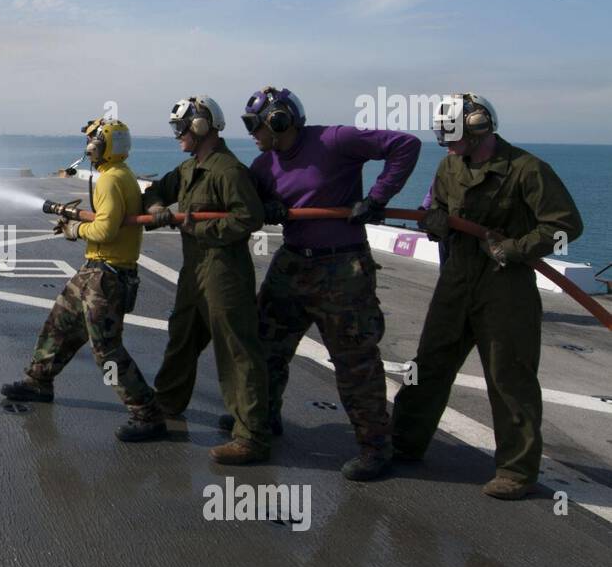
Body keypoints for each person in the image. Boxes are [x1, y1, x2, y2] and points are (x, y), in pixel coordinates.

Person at [392, 93, 583, 499]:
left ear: (478, 130)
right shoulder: (450, 166)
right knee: (427, 365)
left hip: (505, 287)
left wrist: (515, 248)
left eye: (453, 134)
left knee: (509, 377)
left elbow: (565, 226)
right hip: (456, 281)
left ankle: (516, 471)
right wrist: (435, 223)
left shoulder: (527, 170)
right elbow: (439, 210)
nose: (447, 144)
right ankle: (404, 443)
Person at [224, 86, 420, 480]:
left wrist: (378, 198)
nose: (252, 134)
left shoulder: (336, 140)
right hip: (293, 262)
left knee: (354, 360)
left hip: (342, 267)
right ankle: (262, 419)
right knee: (265, 347)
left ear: (279, 120)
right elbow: (245, 199)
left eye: (254, 125)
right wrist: (266, 208)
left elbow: (406, 145)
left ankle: (375, 447)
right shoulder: (264, 166)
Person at [1, 118, 167, 442]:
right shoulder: (122, 174)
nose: (89, 147)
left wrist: (73, 230)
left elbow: (105, 230)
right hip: (96, 270)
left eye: (92, 141)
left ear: (99, 145)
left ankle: (147, 413)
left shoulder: (108, 180)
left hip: (107, 276)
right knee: (59, 323)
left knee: (106, 350)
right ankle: (38, 381)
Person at [141, 96, 273, 462]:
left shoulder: (228, 171)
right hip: (193, 270)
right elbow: (155, 191)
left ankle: (251, 437)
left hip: (224, 272)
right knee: (182, 337)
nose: (177, 135)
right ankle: (167, 403)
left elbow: (248, 218)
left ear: (201, 126)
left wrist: (197, 227)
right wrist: (156, 208)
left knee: (235, 351)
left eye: (180, 128)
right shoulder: (187, 170)